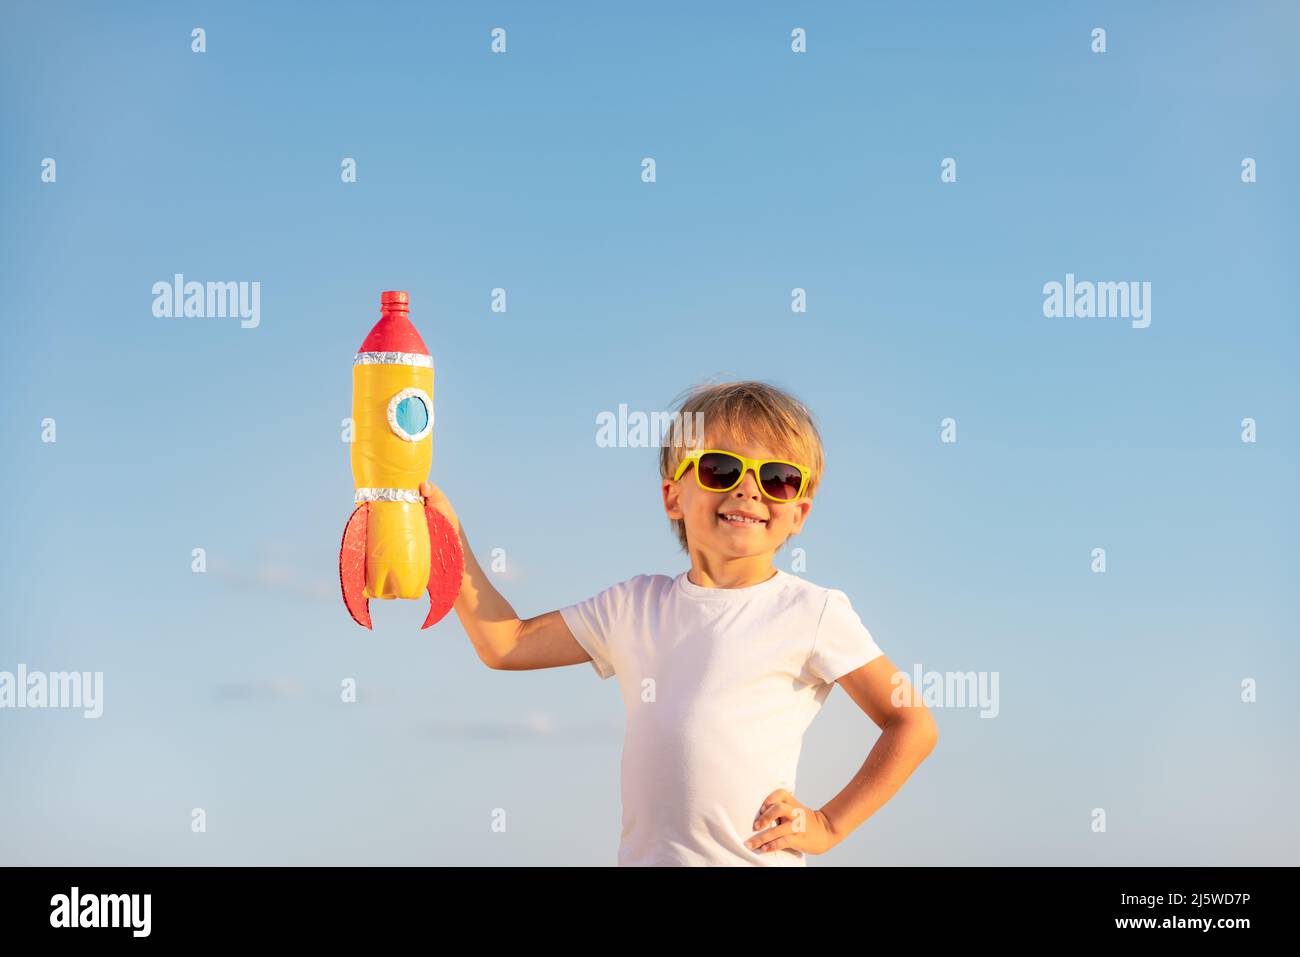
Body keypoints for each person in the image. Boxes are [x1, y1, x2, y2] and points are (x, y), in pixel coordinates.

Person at [420, 380, 937, 866]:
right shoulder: (633, 605)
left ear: (798, 511)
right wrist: (448, 535)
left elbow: (911, 722)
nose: (749, 491)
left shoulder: (811, 611)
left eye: (778, 479)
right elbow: (505, 644)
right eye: (720, 470)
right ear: (673, 495)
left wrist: (827, 824)